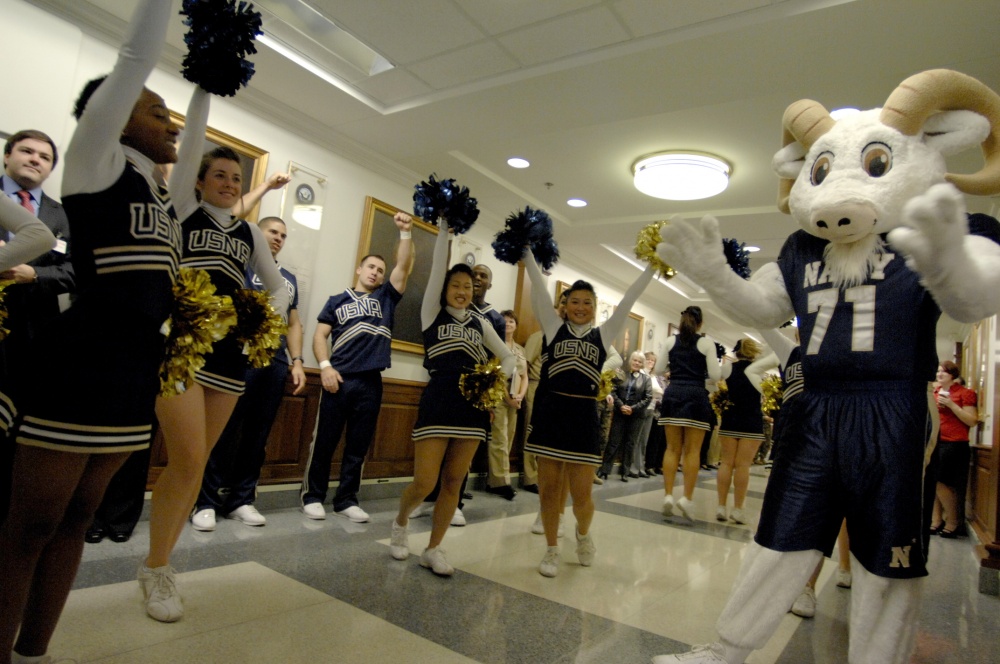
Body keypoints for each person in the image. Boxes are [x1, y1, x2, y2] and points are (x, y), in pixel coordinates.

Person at [0, 0, 185, 659]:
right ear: (114, 110)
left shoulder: (161, 190)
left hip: (134, 371)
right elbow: (136, 57)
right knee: (30, 525)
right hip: (79, 362)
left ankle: (36, 649)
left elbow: (190, 163)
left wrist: (210, 82)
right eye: (155, 110)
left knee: (79, 519)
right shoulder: (95, 161)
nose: (169, 123)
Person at [144, 87, 292, 620]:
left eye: (236, 178)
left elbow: (280, 288)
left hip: (230, 357)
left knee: (197, 461)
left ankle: (163, 562)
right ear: (202, 181)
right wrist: (205, 85)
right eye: (220, 175)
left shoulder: (251, 230)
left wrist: (260, 320)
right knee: (185, 458)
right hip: (183, 346)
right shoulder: (183, 208)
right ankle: (157, 567)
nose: (229, 184)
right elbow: (189, 150)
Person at [389, 219, 514, 576]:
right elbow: (435, 272)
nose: (462, 290)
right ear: (445, 289)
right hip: (439, 398)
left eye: (468, 286)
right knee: (425, 481)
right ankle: (400, 524)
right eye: (456, 284)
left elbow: (507, 357)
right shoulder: (432, 313)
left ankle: (434, 548)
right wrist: (445, 230)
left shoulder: (480, 322)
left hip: (472, 407)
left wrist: (491, 382)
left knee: (454, 483)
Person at [523, 253, 655, 577]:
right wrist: (526, 250)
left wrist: (653, 266)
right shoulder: (553, 329)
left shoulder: (603, 335)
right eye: (575, 302)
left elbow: (630, 299)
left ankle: (583, 534)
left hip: (583, 418)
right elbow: (539, 289)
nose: (581, 307)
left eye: (587, 303)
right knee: (550, 490)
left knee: (582, 495)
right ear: (565, 305)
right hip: (552, 416)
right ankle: (552, 548)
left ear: (595, 308)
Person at [193, 216, 306, 530]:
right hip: (237, 359)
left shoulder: (289, 279)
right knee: (223, 430)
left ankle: (242, 499)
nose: (278, 239)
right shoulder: (240, 264)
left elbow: (293, 323)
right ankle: (205, 502)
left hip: (274, 362)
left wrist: (297, 360)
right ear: (258, 232)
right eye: (272, 232)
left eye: (283, 235)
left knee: (258, 434)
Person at [301, 212, 414, 523]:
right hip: (338, 379)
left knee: (358, 445)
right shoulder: (336, 300)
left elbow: (403, 266)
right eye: (371, 267)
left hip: (371, 382)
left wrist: (405, 233)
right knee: (324, 442)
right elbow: (320, 334)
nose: (376, 273)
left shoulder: (387, 298)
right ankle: (313, 496)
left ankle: (347, 499)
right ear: (359, 269)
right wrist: (324, 367)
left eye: (380, 269)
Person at [0, 129, 74, 523]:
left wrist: (34, 274)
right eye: (26, 151)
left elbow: (77, 270)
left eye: (44, 157)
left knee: (18, 431)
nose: (34, 159)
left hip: (35, 336)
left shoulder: (61, 216)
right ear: (7, 155)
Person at [659, 307, 722, 520]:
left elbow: (658, 370)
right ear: (700, 324)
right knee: (692, 451)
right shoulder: (706, 343)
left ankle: (668, 495)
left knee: (671, 448)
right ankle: (686, 497)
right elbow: (715, 374)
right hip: (696, 396)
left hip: (673, 393)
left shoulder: (670, 341)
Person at [715, 338, 765, 524]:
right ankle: (737, 509)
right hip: (751, 419)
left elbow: (714, 382)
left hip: (731, 417)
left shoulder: (728, 368)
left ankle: (721, 506)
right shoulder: (759, 370)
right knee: (743, 465)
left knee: (726, 463)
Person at [929, 361, 978, 538]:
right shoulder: (932, 393)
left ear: (953, 374)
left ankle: (953, 521)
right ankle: (936, 520)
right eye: (938, 371)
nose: (940, 374)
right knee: (931, 482)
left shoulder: (965, 393)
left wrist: (951, 405)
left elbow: (972, 420)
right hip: (933, 442)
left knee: (941, 482)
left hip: (954, 443)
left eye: (944, 371)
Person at [486, 310, 527, 498]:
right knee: (499, 439)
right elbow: (496, 374)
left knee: (508, 438)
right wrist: (508, 398)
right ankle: (500, 482)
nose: (508, 324)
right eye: (505, 321)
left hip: (515, 398)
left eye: (512, 321)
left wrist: (519, 396)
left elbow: (524, 375)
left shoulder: (520, 349)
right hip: (499, 396)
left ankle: (497, 479)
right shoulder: (495, 345)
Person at [598, 351, 652, 481]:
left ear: (642, 364)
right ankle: (604, 470)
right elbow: (613, 391)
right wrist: (621, 406)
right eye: (635, 360)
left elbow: (648, 397)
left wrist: (632, 409)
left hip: (637, 415)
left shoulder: (646, 379)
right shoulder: (622, 375)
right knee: (613, 441)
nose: (637, 363)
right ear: (631, 361)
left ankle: (625, 472)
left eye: (639, 361)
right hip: (620, 412)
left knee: (630, 443)